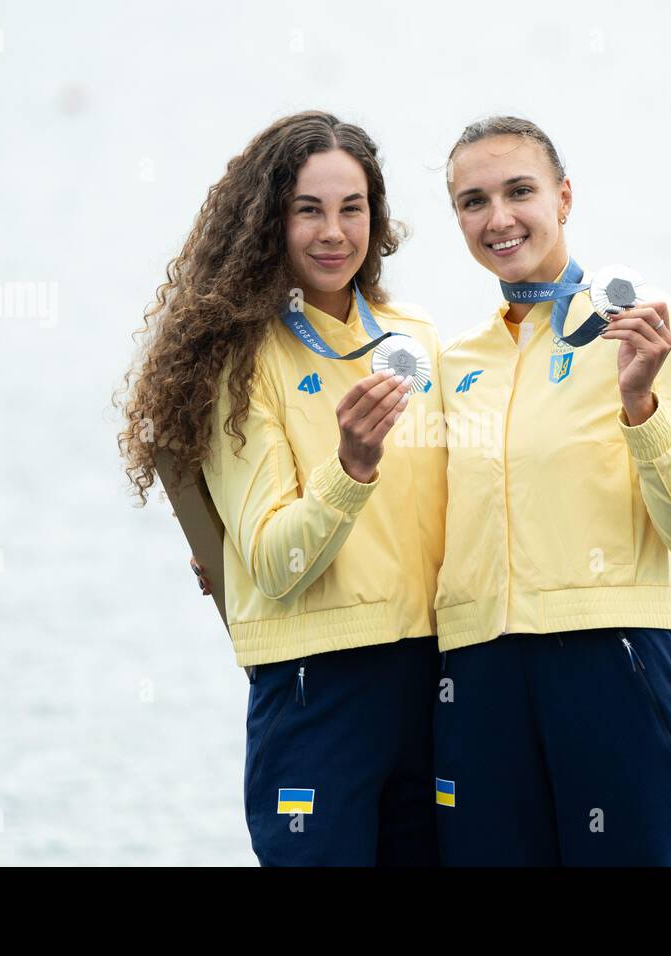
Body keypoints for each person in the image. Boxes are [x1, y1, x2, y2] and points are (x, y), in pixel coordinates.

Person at [117, 111, 447, 865]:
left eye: (351, 208)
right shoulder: (238, 359)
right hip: (314, 692)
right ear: (270, 221)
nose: (333, 232)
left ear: (377, 215)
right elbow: (272, 562)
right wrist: (353, 465)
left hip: (435, 684)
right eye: (309, 210)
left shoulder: (417, 336)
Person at [432, 116, 671, 865]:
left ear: (564, 198)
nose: (498, 218)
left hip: (613, 667)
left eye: (519, 191)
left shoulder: (644, 326)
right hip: (479, 678)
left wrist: (642, 408)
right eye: (474, 201)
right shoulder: (455, 362)